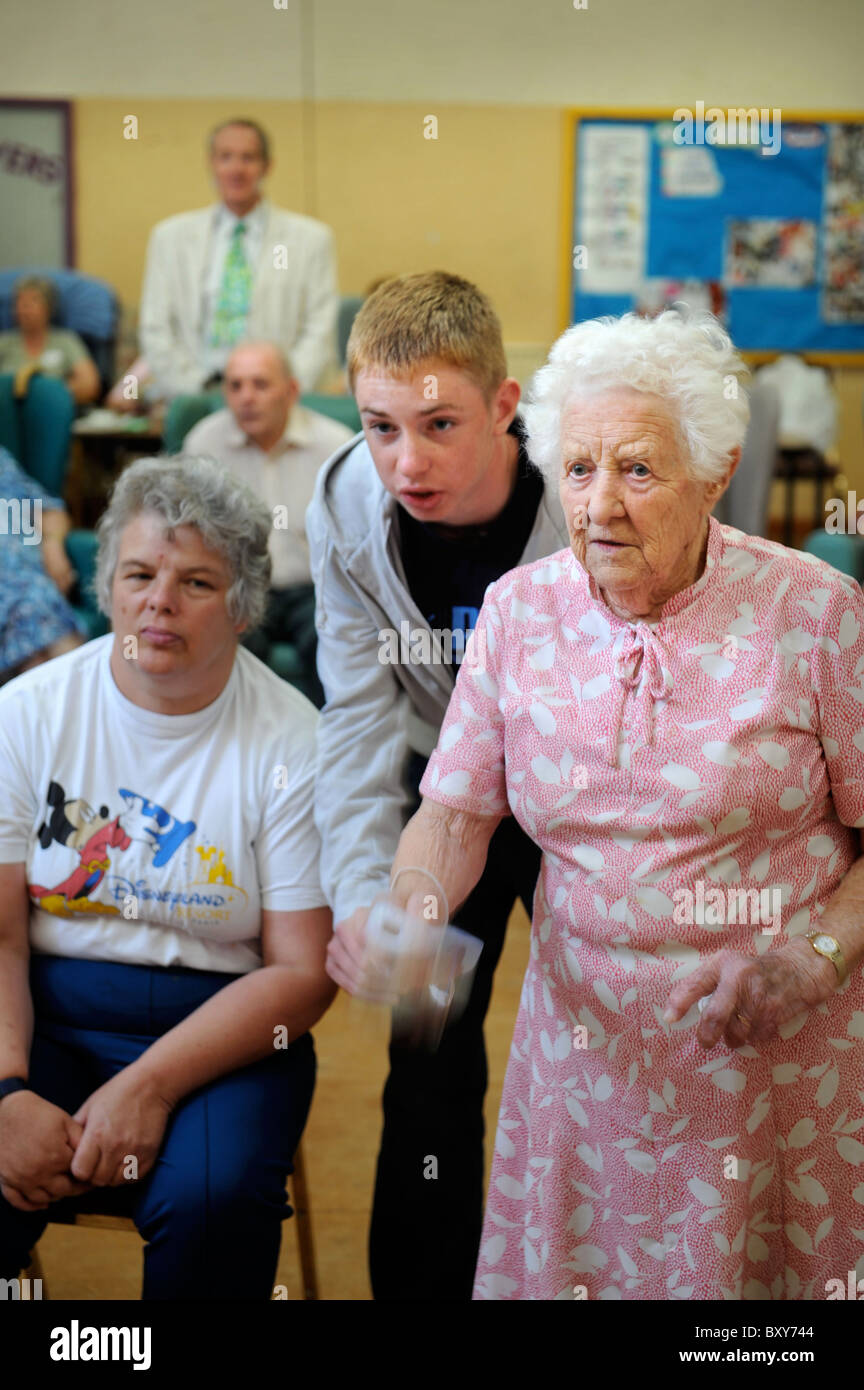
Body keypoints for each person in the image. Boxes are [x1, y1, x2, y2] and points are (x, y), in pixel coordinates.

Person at [329, 307, 864, 1301]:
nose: (601, 505)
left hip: (768, 1063)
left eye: (638, 470)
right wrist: (409, 906)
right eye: (577, 470)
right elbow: (453, 814)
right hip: (584, 1068)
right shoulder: (519, 612)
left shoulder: (816, 613)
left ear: (715, 473)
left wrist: (816, 955)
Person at [0, 456, 334, 1300]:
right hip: (46, 1010)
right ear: (107, 584)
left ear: (245, 606)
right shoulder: (26, 713)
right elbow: (1, 931)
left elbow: (301, 973)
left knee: (213, 1202)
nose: (159, 600)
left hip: (225, 1030)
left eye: (196, 582)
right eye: (140, 574)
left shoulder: (294, 740)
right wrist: (6, 1090)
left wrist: (147, 1086)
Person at [307, 270, 569, 1300]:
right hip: (436, 794)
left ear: (506, 407)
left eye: (439, 423)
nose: (405, 461)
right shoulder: (340, 497)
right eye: (379, 425)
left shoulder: (582, 494)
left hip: (576, 802)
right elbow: (358, 713)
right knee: (424, 1077)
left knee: (608, 1052)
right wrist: (366, 890)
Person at [183, 341, 353, 704]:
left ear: (291, 391)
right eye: (235, 386)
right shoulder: (204, 443)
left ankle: (329, 753)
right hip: (240, 588)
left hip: (316, 590)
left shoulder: (335, 445)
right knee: (232, 643)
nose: (246, 398)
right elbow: (187, 534)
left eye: (260, 385)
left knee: (331, 645)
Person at [139, 119, 339, 399]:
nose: (236, 169)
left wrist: (280, 390)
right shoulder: (169, 238)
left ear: (267, 166)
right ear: (211, 163)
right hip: (195, 394)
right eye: (226, 157)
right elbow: (156, 328)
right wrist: (197, 389)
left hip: (282, 399)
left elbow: (320, 328)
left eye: (248, 158)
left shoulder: (311, 239)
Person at [0, 445, 85, 683]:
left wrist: (53, 545)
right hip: (23, 591)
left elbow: (49, 510)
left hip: (30, 580)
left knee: (37, 661)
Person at [0, 277, 100, 404]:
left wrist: (47, 393)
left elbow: (89, 386)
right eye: (19, 302)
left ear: (49, 308)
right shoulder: (4, 342)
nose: (24, 309)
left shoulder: (66, 341)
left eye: (33, 301)